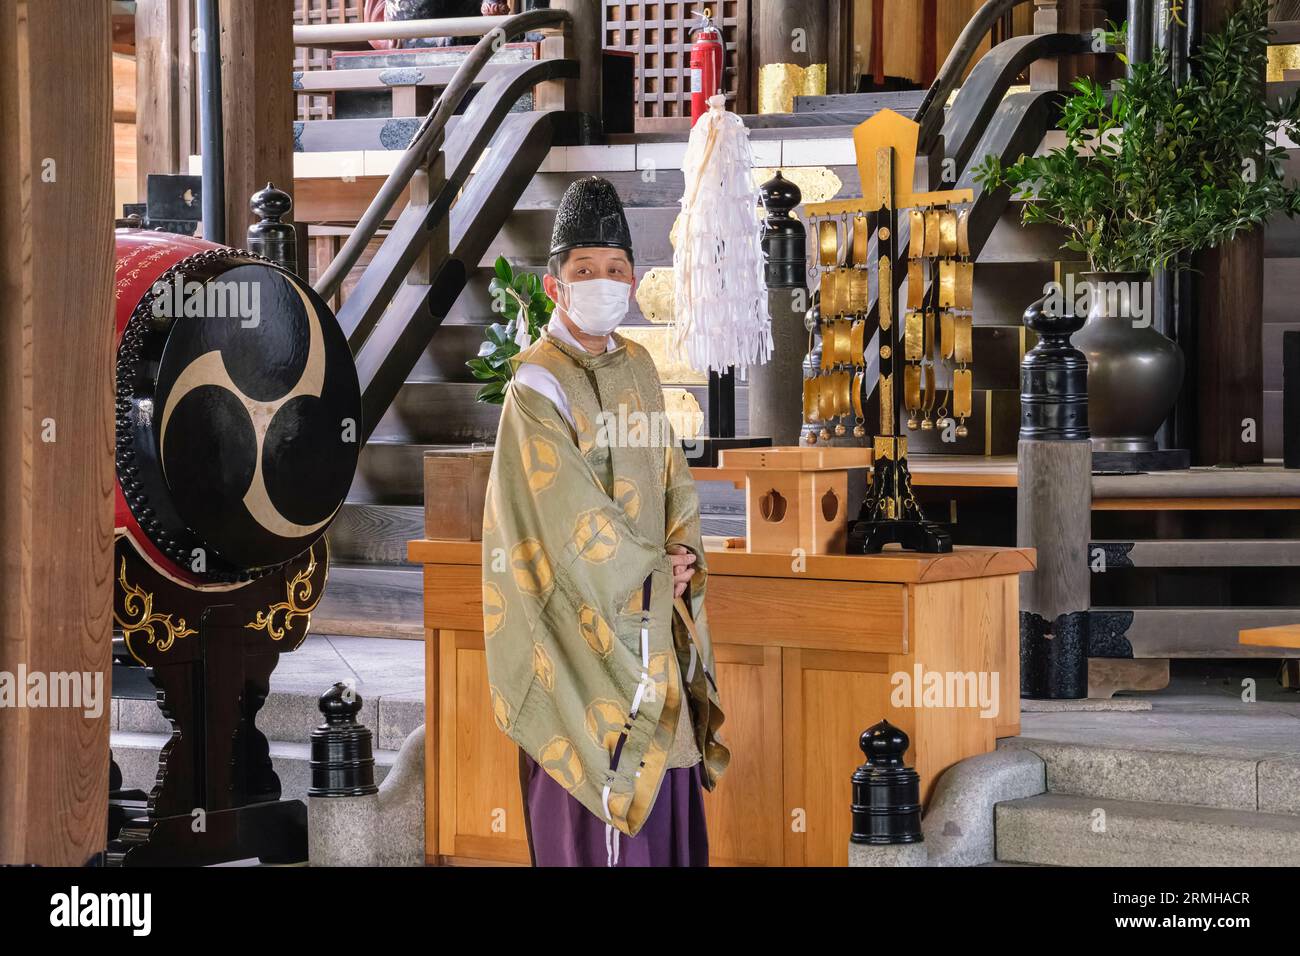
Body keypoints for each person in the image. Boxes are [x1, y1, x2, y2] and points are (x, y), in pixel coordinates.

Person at [480, 176, 729, 866]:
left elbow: (671, 475)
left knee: (663, 766)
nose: (601, 281)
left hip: (651, 621)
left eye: (614, 269)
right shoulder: (535, 384)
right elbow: (561, 512)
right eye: (583, 270)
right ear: (555, 284)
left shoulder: (640, 367)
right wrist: (649, 573)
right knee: (599, 778)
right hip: (580, 639)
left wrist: (680, 554)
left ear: (635, 279)